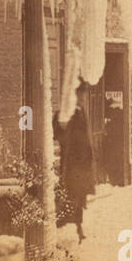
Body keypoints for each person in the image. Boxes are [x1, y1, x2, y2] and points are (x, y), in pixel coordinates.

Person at [57, 102, 95, 242]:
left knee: (78, 199)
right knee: (73, 198)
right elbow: (61, 138)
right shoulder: (65, 116)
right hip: (73, 168)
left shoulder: (81, 113)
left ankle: (78, 228)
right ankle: (75, 228)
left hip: (80, 168)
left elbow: (86, 146)